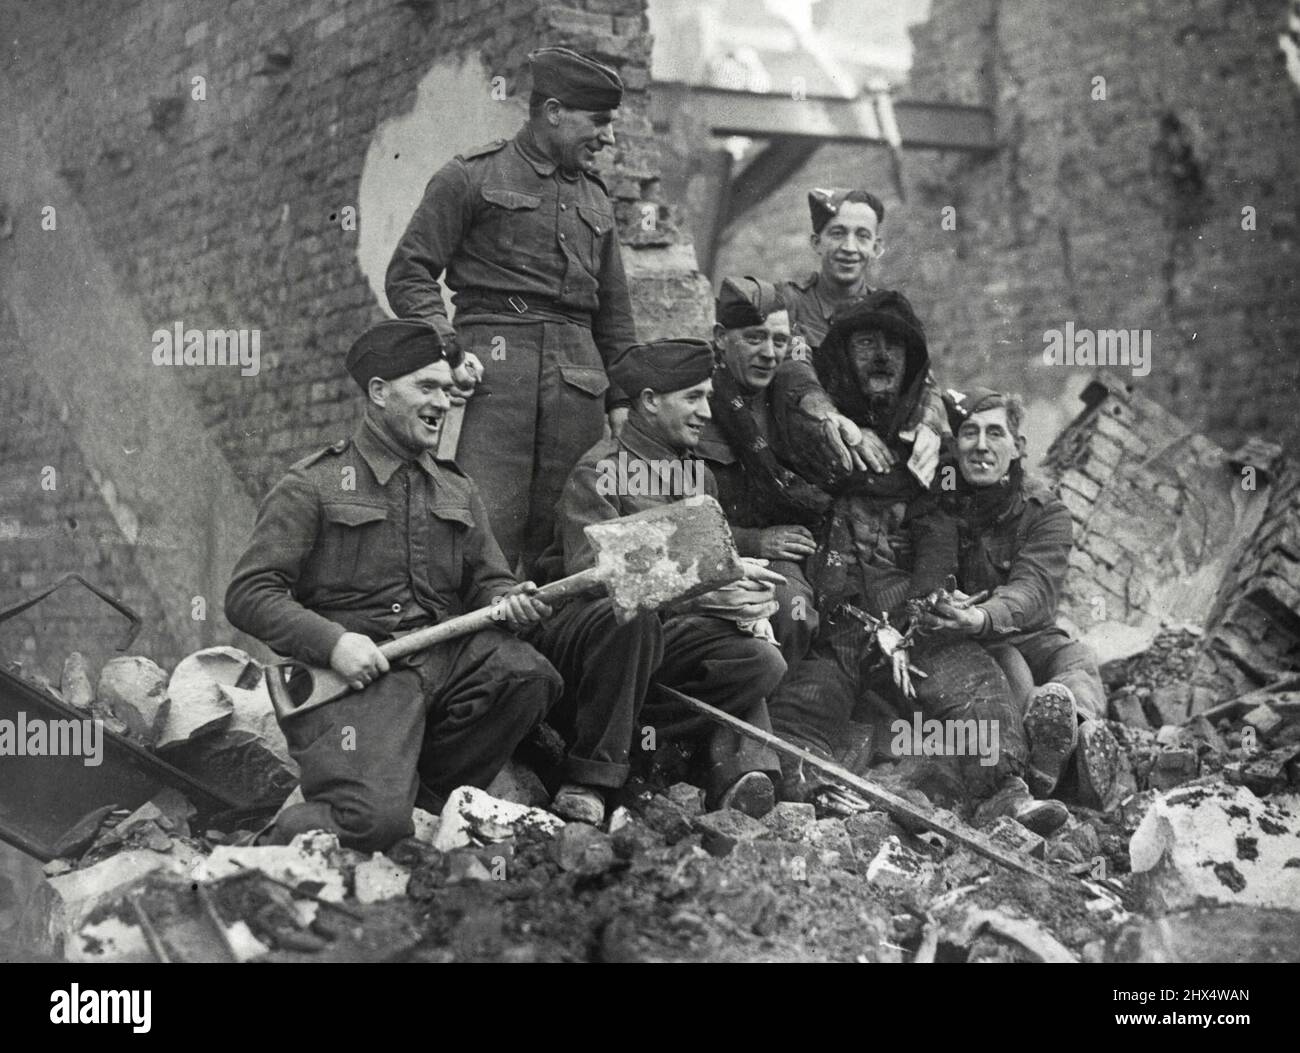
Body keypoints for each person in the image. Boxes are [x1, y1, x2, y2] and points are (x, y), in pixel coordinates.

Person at [225, 320, 562, 852]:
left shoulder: (456, 487)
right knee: (369, 824)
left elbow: (488, 577)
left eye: (446, 391)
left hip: (440, 661)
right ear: (379, 392)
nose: (443, 403)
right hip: (360, 679)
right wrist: (333, 643)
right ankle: (307, 825)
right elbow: (250, 594)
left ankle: (424, 803)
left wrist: (506, 601)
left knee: (527, 674)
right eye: (426, 387)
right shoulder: (310, 485)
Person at [766, 293, 1067, 834]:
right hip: (831, 606)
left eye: (893, 347)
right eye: (865, 344)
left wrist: (929, 598)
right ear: (843, 353)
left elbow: (938, 523)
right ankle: (810, 796)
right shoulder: (812, 423)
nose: (881, 357)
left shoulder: (929, 441)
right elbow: (790, 379)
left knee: (976, 684)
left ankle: (1007, 796)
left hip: (906, 610)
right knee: (805, 705)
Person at [386, 46, 637, 570]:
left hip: (580, 386)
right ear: (552, 112)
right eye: (598, 122)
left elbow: (614, 315)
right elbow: (409, 272)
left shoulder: (597, 199)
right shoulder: (469, 176)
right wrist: (447, 349)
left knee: (571, 538)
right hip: (493, 380)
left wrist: (623, 397)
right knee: (478, 534)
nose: (608, 138)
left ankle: (553, 651)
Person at [530, 338, 787, 825]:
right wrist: (705, 591)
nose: (706, 412)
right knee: (634, 616)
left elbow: (715, 566)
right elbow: (595, 578)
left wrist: (741, 603)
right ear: (649, 401)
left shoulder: (697, 476)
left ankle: (631, 739)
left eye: (707, 397)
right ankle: (591, 778)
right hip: (590, 637)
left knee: (761, 662)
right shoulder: (600, 470)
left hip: (655, 641)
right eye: (692, 397)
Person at [920, 387, 1120, 810]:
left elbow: (1034, 590)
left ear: (1017, 446)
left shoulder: (1044, 510)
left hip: (1020, 629)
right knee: (1011, 671)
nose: (980, 446)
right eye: (969, 433)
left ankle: (1075, 733)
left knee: (1076, 659)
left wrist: (984, 615)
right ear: (955, 446)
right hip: (961, 642)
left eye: (995, 434)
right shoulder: (938, 496)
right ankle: (1056, 768)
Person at [695, 276, 829, 663]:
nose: (770, 353)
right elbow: (670, 509)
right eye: (755, 338)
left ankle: (779, 710)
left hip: (780, 553)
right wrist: (753, 542)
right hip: (714, 552)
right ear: (721, 338)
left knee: (794, 612)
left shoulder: (786, 398)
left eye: (780, 341)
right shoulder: (694, 400)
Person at [780, 187, 947, 487]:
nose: (849, 247)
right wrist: (842, 426)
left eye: (862, 236)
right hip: (807, 454)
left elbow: (925, 381)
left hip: (876, 464)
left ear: (876, 246)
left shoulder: (889, 312)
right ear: (816, 243)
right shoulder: (790, 303)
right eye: (837, 233)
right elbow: (795, 369)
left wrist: (930, 426)